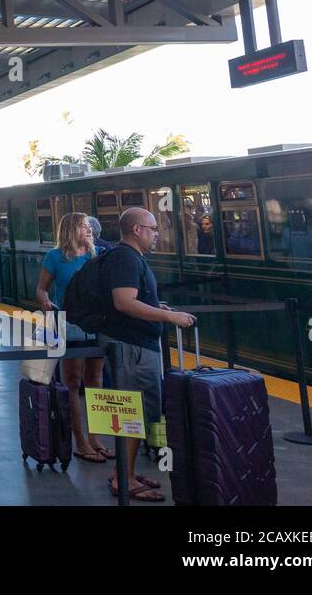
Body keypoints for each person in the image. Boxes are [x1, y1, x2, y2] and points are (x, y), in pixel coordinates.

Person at [99, 206, 195, 502]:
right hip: (130, 348)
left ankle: (125, 473)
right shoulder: (126, 258)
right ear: (137, 230)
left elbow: (134, 298)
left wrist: (157, 308)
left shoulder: (128, 258)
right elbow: (124, 302)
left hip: (134, 345)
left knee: (134, 412)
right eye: (153, 228)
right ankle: (122, 480)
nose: (157, 233)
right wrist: (170, 318)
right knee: (131, 412)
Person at [37, 212, 108, 464]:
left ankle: (96, 437)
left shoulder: (96, 254)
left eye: (89, 226)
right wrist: (45, 302)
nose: (89, 230)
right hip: (69, 323)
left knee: (96, 380)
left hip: (96, 323)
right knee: (73, 382)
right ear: (70, 230)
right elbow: (42, 288)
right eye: (83, 226)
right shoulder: (55, 257)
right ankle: (81, 441)